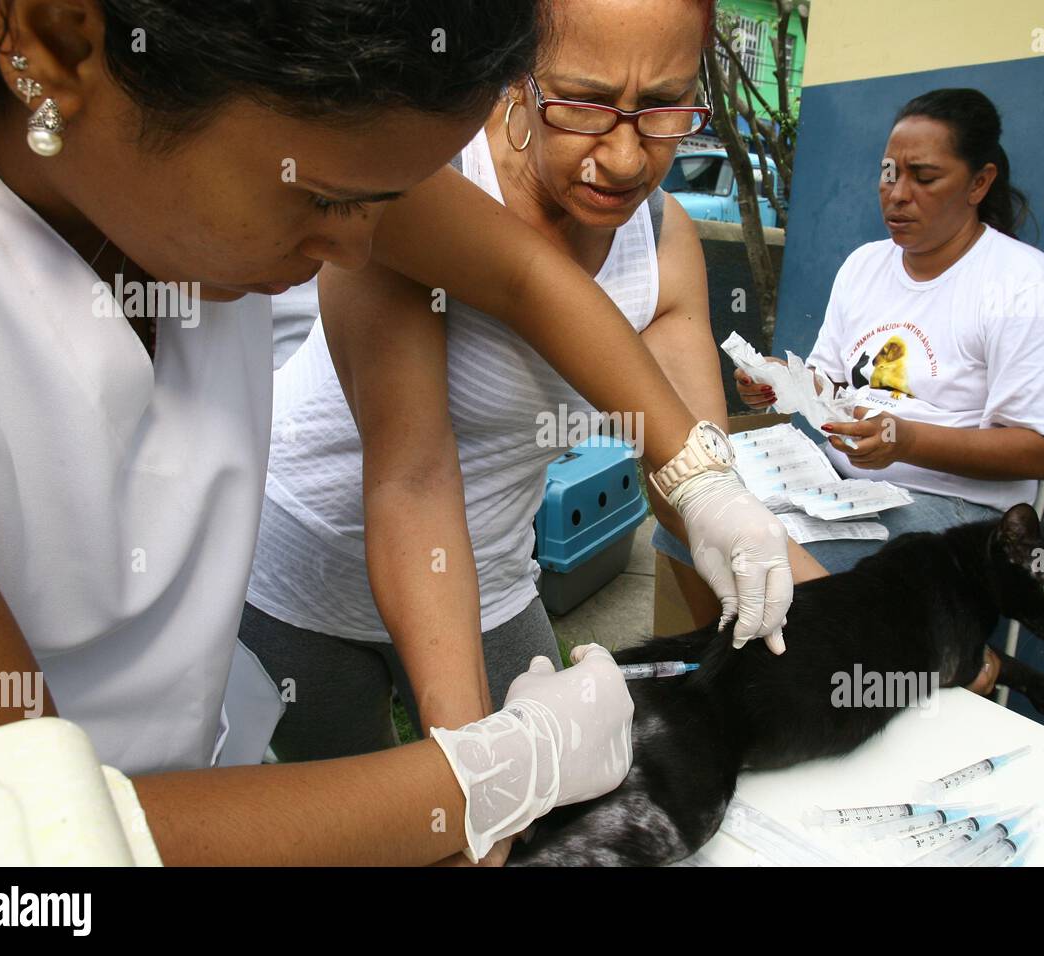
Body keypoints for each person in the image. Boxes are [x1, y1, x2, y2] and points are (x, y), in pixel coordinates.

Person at [0, 0, 791, 865]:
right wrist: (492, 772)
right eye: (322, 197)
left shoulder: (215, 177)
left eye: (383, 203)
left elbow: (526, 277)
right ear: (56, 41)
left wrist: (699, 479)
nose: (356, 253)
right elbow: (22, 839)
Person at [242, 0, 829, 762]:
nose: (624, 158)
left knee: (547, 804)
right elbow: (413, 478)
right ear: (515, 72)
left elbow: (691, 474)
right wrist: (473, 766)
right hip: (308, 569)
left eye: (662, 106)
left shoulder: (660, 239)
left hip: (490, 574)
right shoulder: (415, 177)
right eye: (583, 105)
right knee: (374, 819)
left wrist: (857, 620)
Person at [728, 89, 1044, 692]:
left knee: (761, 555)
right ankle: (738, 676)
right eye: (889, 173)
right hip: (836, 482)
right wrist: (781, 385)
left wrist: (905, 440)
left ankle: (943, 669)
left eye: (924, 177)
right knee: (693, 513)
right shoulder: (865, 265)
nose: (897, 193)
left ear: (978, 183)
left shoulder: (1027, 285)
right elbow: (833, 381)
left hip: (950, 511)